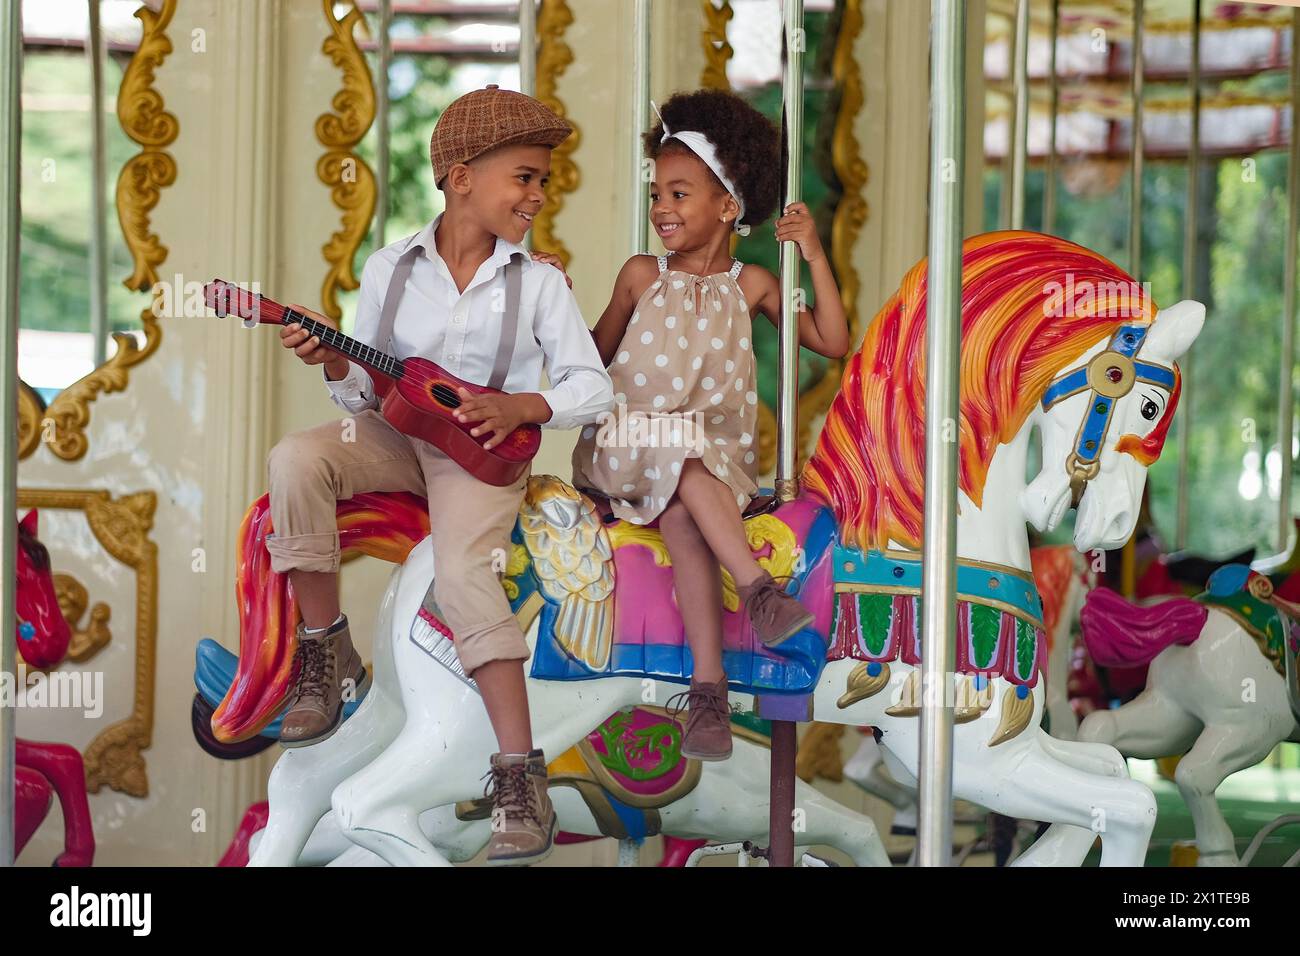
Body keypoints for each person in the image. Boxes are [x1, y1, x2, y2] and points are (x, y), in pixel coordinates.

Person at [268, 85, 613, 865]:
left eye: (542, 180)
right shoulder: (391, 268)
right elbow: (364, 389)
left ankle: (519, 773)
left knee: (463, 571)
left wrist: (522, 405)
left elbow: (594, 386)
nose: (537, 194)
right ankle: (326, 650)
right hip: (397, 437)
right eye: (524, 177)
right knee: (296, 457)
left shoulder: (539, 282)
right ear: (461, 178)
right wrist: (334, 361)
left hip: (480, 459)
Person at [571, 88, 850, 761]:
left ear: (728, 205)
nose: (661, 209)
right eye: (658, 194)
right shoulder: (642, 275)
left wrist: (811, 251)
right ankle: (758, 592)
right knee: (679, 452)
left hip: (710, 460)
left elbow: (834, 341)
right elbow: (588, 360)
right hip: (629, 444)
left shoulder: (751, 284)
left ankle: (708, 696)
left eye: (679, 194)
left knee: (684, 513)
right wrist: (549, 299)